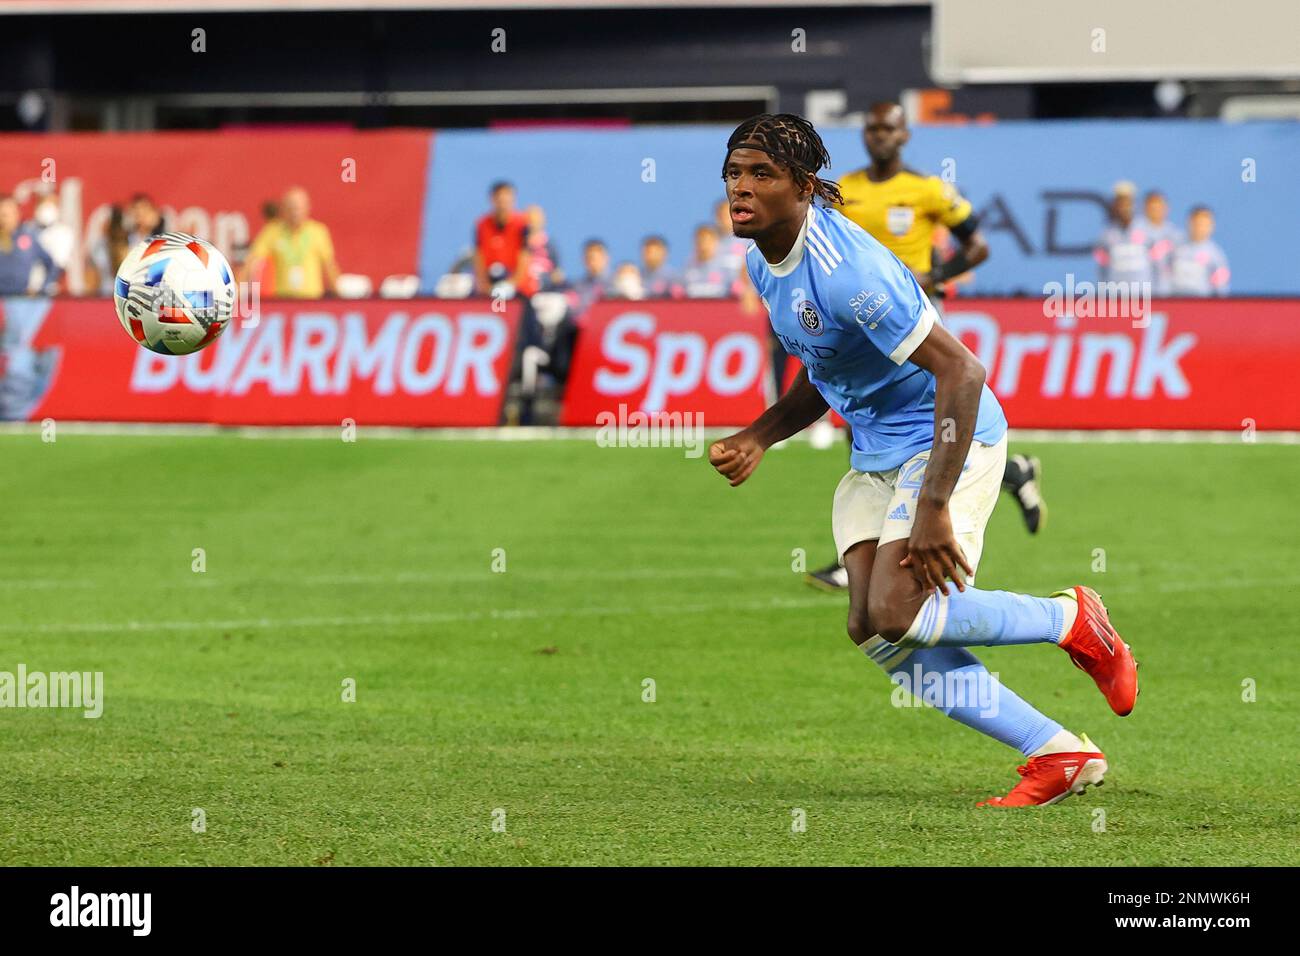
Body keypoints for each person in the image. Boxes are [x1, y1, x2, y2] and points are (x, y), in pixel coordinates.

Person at [710, 113, 1139, 807]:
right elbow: (825, 369)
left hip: (945, 441)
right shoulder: (763, 258)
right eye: (734, 173)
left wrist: (936, 503)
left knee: (897, 611)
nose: (742, 187)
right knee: (870, 625)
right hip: (876, 449)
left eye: (761, 174)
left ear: (806, 187)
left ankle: (1069, 618)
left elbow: (963, 374)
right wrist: (761, 434)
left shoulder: (851, 273)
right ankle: (1060, 753)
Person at [806, 101, 1046, 593]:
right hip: (857, 324)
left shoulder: (928, 190)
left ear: (905, 135)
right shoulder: (844, 190)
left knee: (921, 425)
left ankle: (867, 550)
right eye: (872, 128)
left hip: (912, 322)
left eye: (889, 129)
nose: (879, 136)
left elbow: (977, 246)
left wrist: (934, 277)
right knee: (879, 425)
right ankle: (1013, 473)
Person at [243, 187, 339, 298]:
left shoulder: (318, 232)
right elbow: (252, 261)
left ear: (307, 207)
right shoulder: (273, 232)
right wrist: (239, 289)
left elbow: (329, 266)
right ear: (283, 209)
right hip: (283, 300)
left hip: (312, 300)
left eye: (298, 207)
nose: (295, 212)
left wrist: (338, 294)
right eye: (291, 207)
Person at [471, 181, 534, 298]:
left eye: (507, 199)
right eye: (499, 199)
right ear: (492, 199)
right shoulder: (482, 224)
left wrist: (511, 284)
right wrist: (485, 286)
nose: (503, 204)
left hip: (517, 288)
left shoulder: (522, 224)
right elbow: (479, 257)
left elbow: (525, 258)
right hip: (490, 284)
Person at [0, 196, 61, 296]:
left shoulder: (28, 236)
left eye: (8, 214)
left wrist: (42, 289)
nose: (4, 219)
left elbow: (51, 265)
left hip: (20, 298)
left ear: (17, 214)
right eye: (2, 214)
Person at [1170, 206, 1229, 296]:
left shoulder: (1216, 256)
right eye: (1197, 223)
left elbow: (1221, 289)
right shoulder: (1174, 246)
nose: (1200, 228)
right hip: (1173, 301)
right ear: (1189, 223)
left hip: (1201, 304)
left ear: (1212, 226)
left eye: (1205, 224)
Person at [1138, 190, 1181, 296]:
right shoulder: (1134, 233)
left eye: (1159, 207)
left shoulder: (1175, 236)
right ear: (1144, 208)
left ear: (1166, 208)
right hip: (1139, 293)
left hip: (1167, 293)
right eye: (1152, 207)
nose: (1155, 211)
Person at [682, 224, 741, 298]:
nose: (703, 245)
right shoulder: (688, 269)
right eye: (699, 241)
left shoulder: (726, 269)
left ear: (716, 242)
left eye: (707, 240)